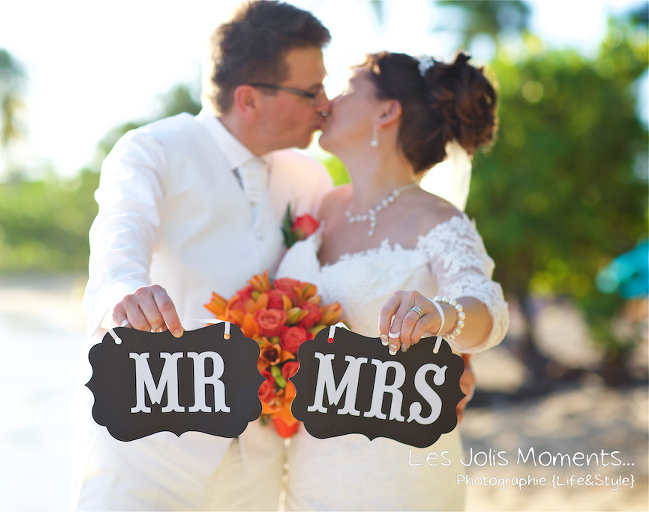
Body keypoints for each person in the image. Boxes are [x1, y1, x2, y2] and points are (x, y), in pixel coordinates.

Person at [72, 2, 333, 510]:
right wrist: (126, 288)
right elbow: (120, 238)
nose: (328, 103)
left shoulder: (312, 179)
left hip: (259, 464)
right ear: (249, 99)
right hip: (146, 452)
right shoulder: (151, 150)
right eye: (310, 91)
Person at [275, 51, 510, 510]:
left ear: (387, 110)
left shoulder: (439, 220)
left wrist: (441, 316)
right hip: (308, 472)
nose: (328, 99)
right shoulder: (320, 207)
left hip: (399, 476)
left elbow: (485, 305)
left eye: (347, 87)